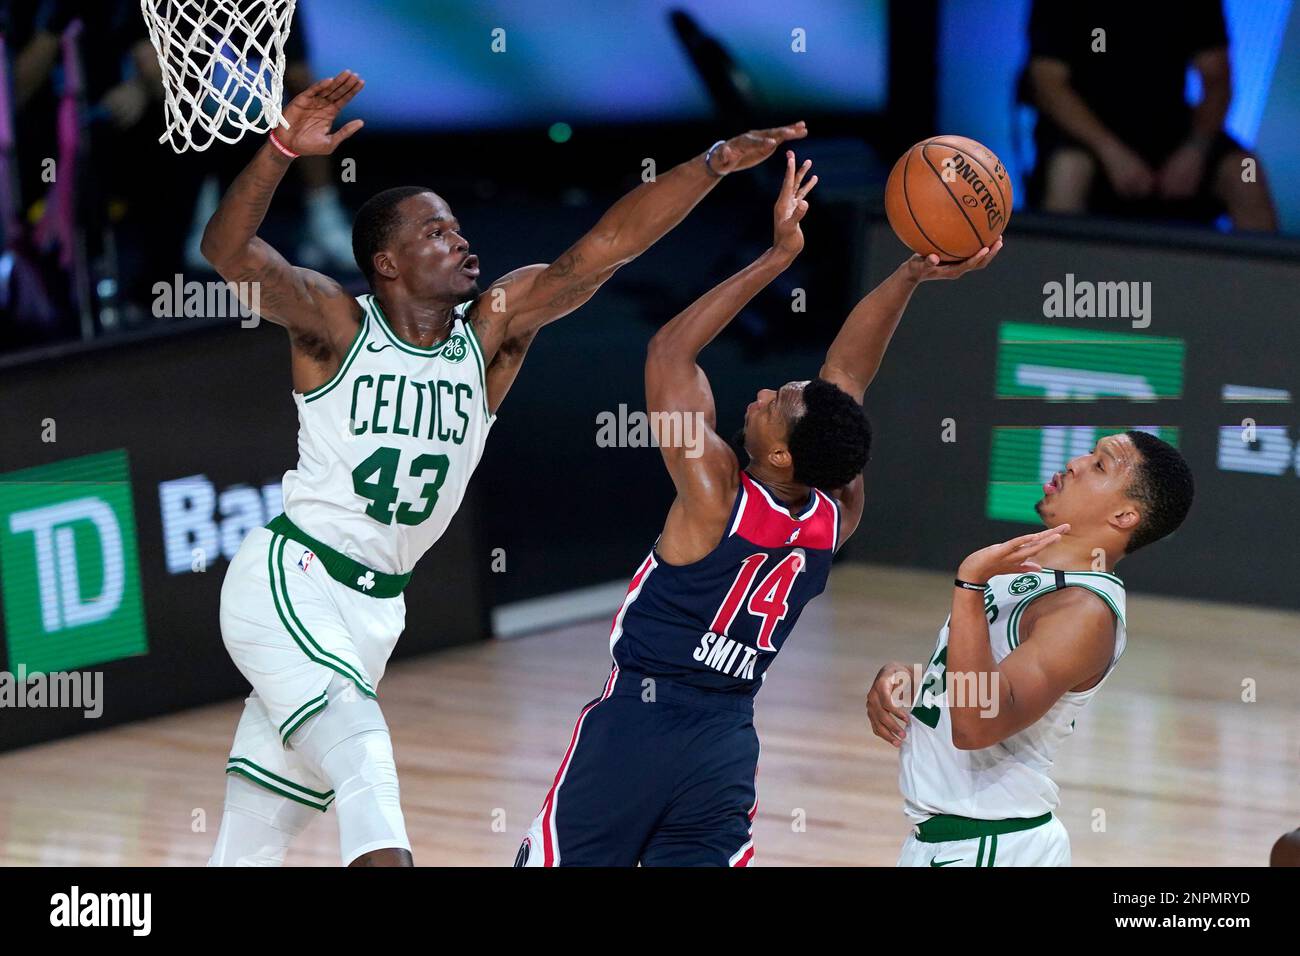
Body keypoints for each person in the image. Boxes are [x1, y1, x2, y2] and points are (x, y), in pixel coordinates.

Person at [200, 68, 809, 866]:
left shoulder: (490, 334)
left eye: (458, 228)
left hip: (376, 611)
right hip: (292, 578)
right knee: (363, 756)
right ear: (386, 263)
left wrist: (716, 162)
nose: (463, 242)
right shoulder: (336, 325)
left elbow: (603, 252)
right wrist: (281, 149)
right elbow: (228, 251)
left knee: (257, 831)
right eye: (436, 233)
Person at [516, 152, 1000, 866]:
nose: (765, 392)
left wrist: (776, 257)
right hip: (724, 744)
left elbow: (670, 351)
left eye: (777, 404)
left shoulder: (714, 491)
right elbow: (846, 379)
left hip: (637, 728)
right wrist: (909, 274)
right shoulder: (837, 508)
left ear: (779, 458)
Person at [867, 431, 1194, 866]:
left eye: (1100, 465)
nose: (1075, 462)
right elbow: (977, 680)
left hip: (990, 844)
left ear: (1123, 515)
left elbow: (978, 724)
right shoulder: (1027, 575)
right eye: (1089, 453)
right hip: (956, 839)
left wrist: (969, 585)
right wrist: (911, 678)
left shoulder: (1083, 609)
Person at [1026, 0, 1277, 231]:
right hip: (1088, 136)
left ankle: (1271, 280)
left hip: (1171, 135)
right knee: (1069, 170)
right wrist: (1111, 152)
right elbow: (1048, 85)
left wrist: (1195, 149)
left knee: (1246, 171)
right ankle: (1057, 279)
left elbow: (1217, 79)